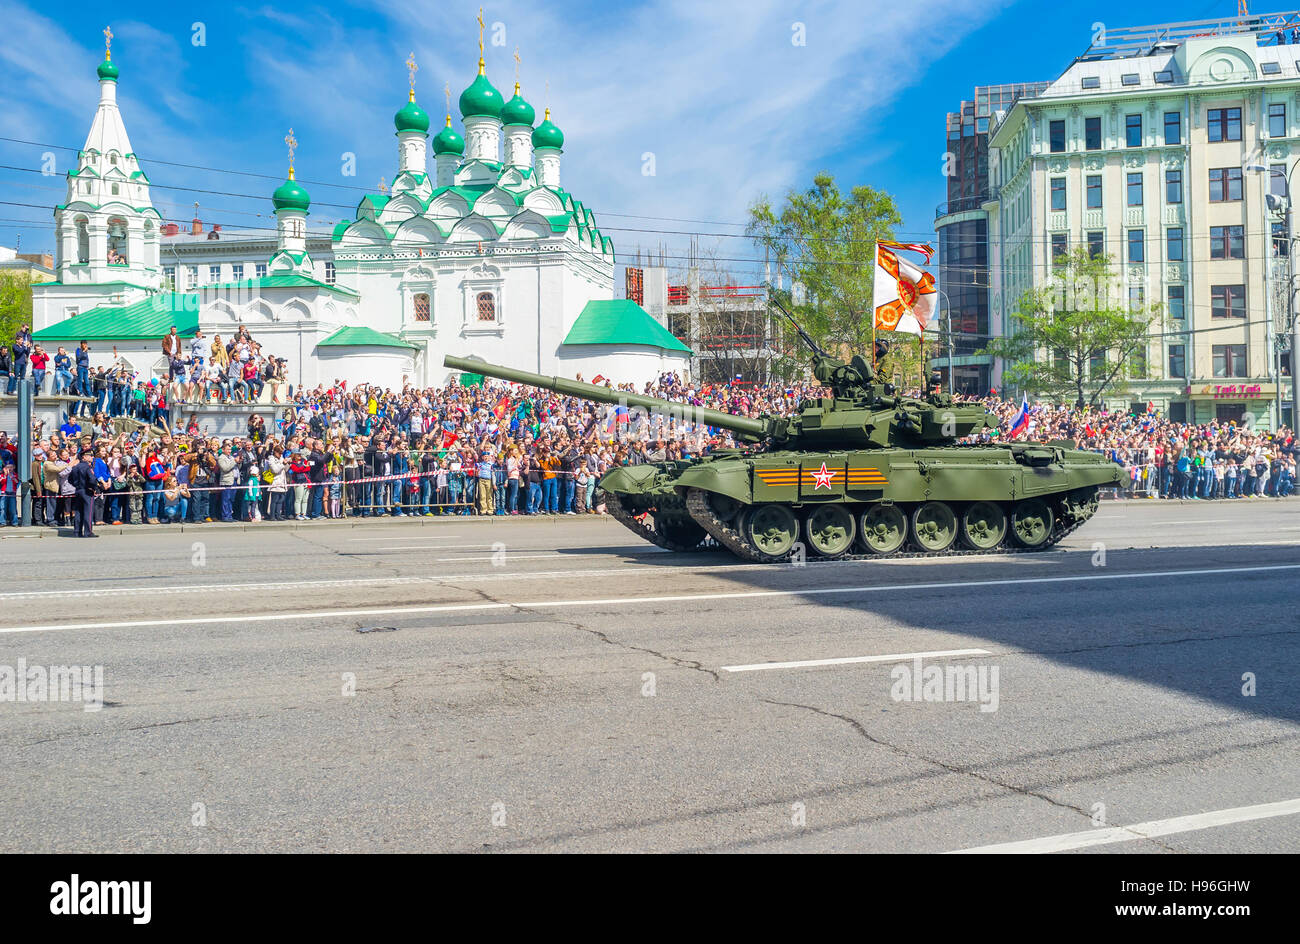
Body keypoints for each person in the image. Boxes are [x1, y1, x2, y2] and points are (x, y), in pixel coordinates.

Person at [67, 448, 98, 537]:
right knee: (88, 512)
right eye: (90, 456)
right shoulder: (87, 467)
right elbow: (92, 479)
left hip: (78, 490)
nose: (92, 457)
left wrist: (77, 486)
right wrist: (94, 488)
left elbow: (70, 480)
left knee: (78, 512)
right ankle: (88, 532)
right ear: (84, 457)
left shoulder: (75, 467)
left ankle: (77, 531)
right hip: (87, 491)